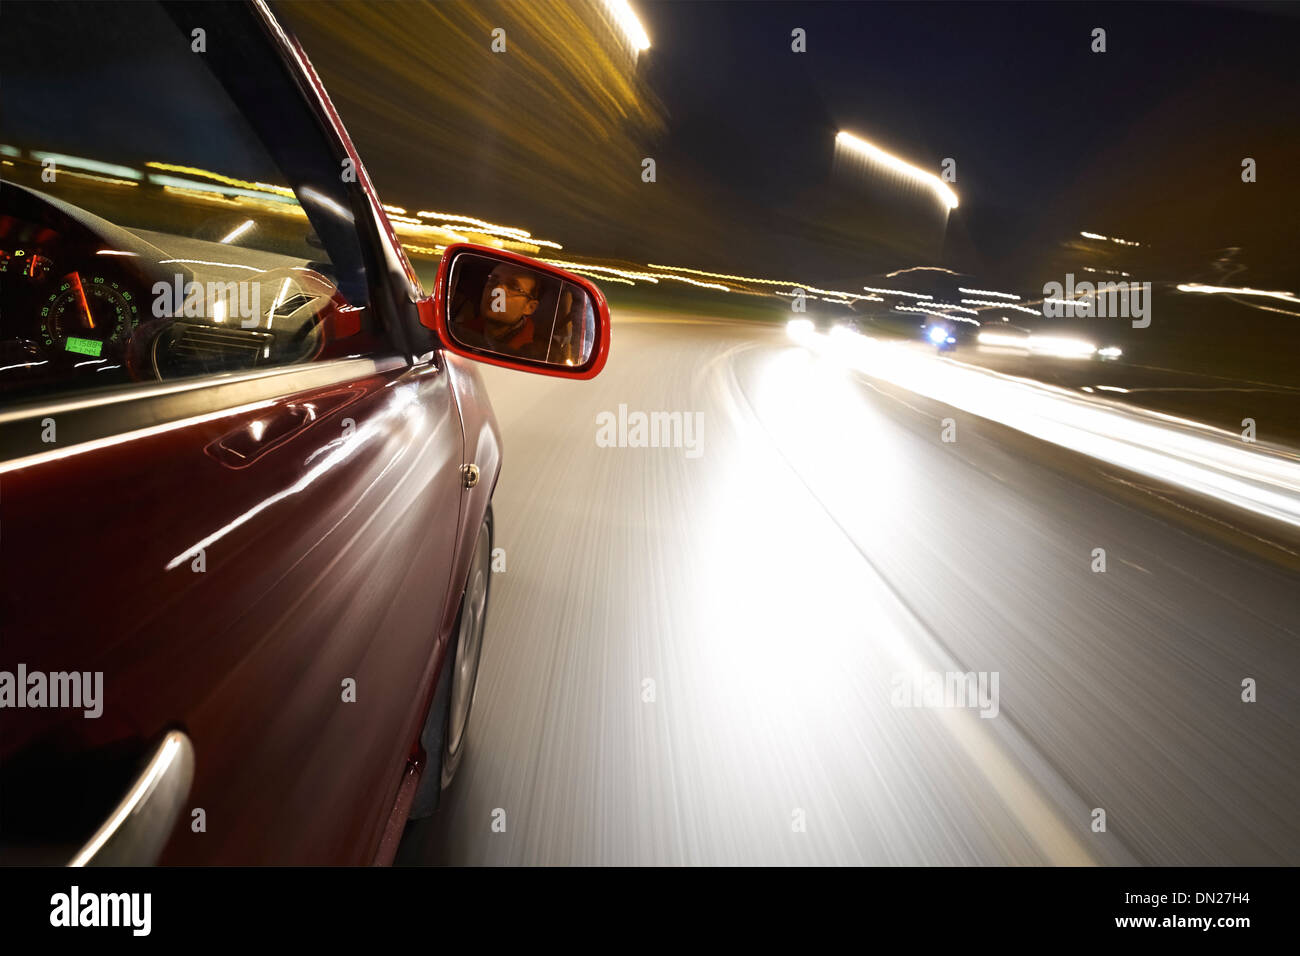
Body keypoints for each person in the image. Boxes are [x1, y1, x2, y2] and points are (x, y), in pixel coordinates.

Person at [450, 263, 547, 360]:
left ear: (530, 307)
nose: (496, 290)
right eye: (493, 281)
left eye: (513, 287)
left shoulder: (538, 354)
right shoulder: (458, 333)